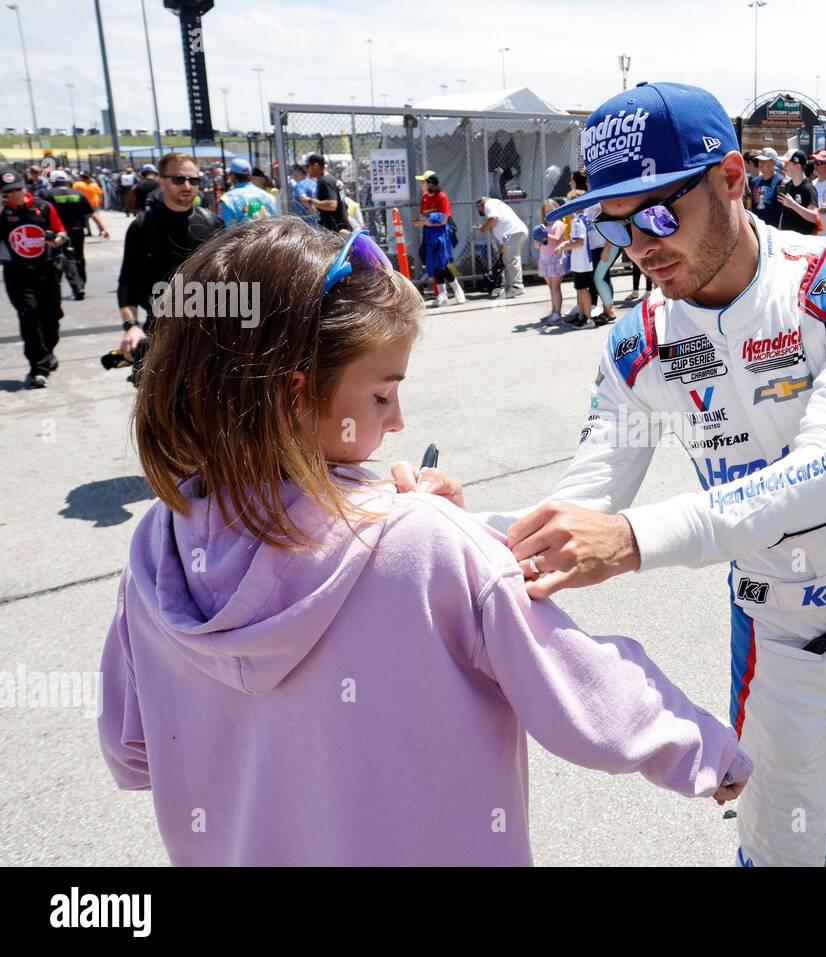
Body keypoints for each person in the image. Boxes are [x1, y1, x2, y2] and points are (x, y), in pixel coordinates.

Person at [399, 81, 826, 867]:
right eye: (615, 225)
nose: (641, 247)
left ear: (734, 179)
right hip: (778, 633)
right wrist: (450, 524)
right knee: (778, 853)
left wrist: (637, 538)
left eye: (656, 213)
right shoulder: (637, 342)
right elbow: (585, 503)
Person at [98, 217, 751, 866]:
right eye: (383, 395)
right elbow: (579, 685)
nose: (399, 419)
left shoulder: (157, 552)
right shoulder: (426, 542)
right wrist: (703, 747)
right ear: (296, 397)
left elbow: (131, 751)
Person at [117, 153, 224, 375]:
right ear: (161, 180)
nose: (187, 185)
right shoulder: (142, 226)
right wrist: (131, 327)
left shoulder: (212, 223)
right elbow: (128, 282)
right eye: (178, 179)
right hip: (160, 333)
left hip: (208, 335)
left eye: (193, 180)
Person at [1, 167, 67, 389]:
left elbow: (61, 232)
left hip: (46, 271)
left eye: (17, 189)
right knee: (29, 317)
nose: (15, 195)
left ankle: (47, 353)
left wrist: (57, 240)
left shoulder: (43, 207)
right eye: (9, 192)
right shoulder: (2, 213)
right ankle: (38, 368)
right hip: (17, 274)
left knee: (51, 317)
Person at [48, 170, 108, 300]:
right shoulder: (78, 194)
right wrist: (102, 228)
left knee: (59, 258)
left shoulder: (46, 194)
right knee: (78, 257)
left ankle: (70, 285)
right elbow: (91, 213)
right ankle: (81, 282)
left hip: (57, 232)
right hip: (77, 231)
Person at [415, 171, 465, 307]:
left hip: (441, 233)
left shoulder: (442, 197)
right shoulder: (425, 197)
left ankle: (458, 291)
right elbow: (423, 216)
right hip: (429, 234)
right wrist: (424, 222)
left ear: (430, 184)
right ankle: (442, 295)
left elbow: (444, 221)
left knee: (441, 264)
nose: (421, 184)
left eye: (423, 182)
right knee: (433, 263)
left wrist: (427, 223)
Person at [475, 194, 527, 299]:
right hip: (512, 233)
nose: (482, 212)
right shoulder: (496, 203)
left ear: (481, 205)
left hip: (512, 233)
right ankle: (509, 288)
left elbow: (493, 219)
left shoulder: (488, 204)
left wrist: (483, 228)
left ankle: (517, 286)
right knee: (506, 259)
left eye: (480, 209)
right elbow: (499, 222)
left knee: (512, 259)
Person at [555, 191, 595, 326]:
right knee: (580, 290)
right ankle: (581, 315)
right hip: (581, 262)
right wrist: (564, 244)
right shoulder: (580, 219)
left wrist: (566, 247)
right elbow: (576, 241)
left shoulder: (577, 221)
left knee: (583, 290)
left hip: (581, 262)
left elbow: (579, 243)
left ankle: (588, 319)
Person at [218, 157, 279, 227]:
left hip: (243, 237)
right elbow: (276, 222)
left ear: (233, 176)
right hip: (267, 237)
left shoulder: (227, 199)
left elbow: (228, 229)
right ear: (249, 175)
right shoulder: (268, 196)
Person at [534, 198, 568, 324]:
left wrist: (543, 234)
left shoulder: (559, 224)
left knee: (556, 288)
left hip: (555, 259)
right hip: (545, 259)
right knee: (551, 288)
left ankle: (557, 314)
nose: (548, 212)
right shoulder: (544, 226)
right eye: (546, 210)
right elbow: (537, 245)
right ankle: (553, 311)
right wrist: (538, 238)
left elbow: (556, 239)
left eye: (551, 210)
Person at [303, 154, 350, 235]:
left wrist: (310, 201)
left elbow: (332, 205)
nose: (306, 170)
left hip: (336, 231)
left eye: (308, 166)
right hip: (339, 229)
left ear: (316, 166)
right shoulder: (331, 179)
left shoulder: (326, 181)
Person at [775, 150, 819, 234]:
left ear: (797, 165)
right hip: (787, 239)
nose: (784, 166)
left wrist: (792, 204)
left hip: (801, 241)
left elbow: (814, 217)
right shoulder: (787, 186)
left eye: (787, 163)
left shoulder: (808, 188)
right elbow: (784, 214)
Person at [748, 146, 782, 229]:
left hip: (773, 228)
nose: (760, 164)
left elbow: (783, 209)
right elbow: (751, 204)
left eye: (764, 161)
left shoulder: (781, 181)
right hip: (757, 227)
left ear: (773, 162)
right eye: (760, 161)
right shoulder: (754, 181)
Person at [72, 171, 105, 235]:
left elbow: (74, 193)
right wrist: (101, 202)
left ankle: (89, 232)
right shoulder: (94, 185)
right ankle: (101, 231)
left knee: (86, 220)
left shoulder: (77, 184)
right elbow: (100, 194)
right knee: (96, 218)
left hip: (83, 205)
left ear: (81, 177)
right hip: (95, 204)